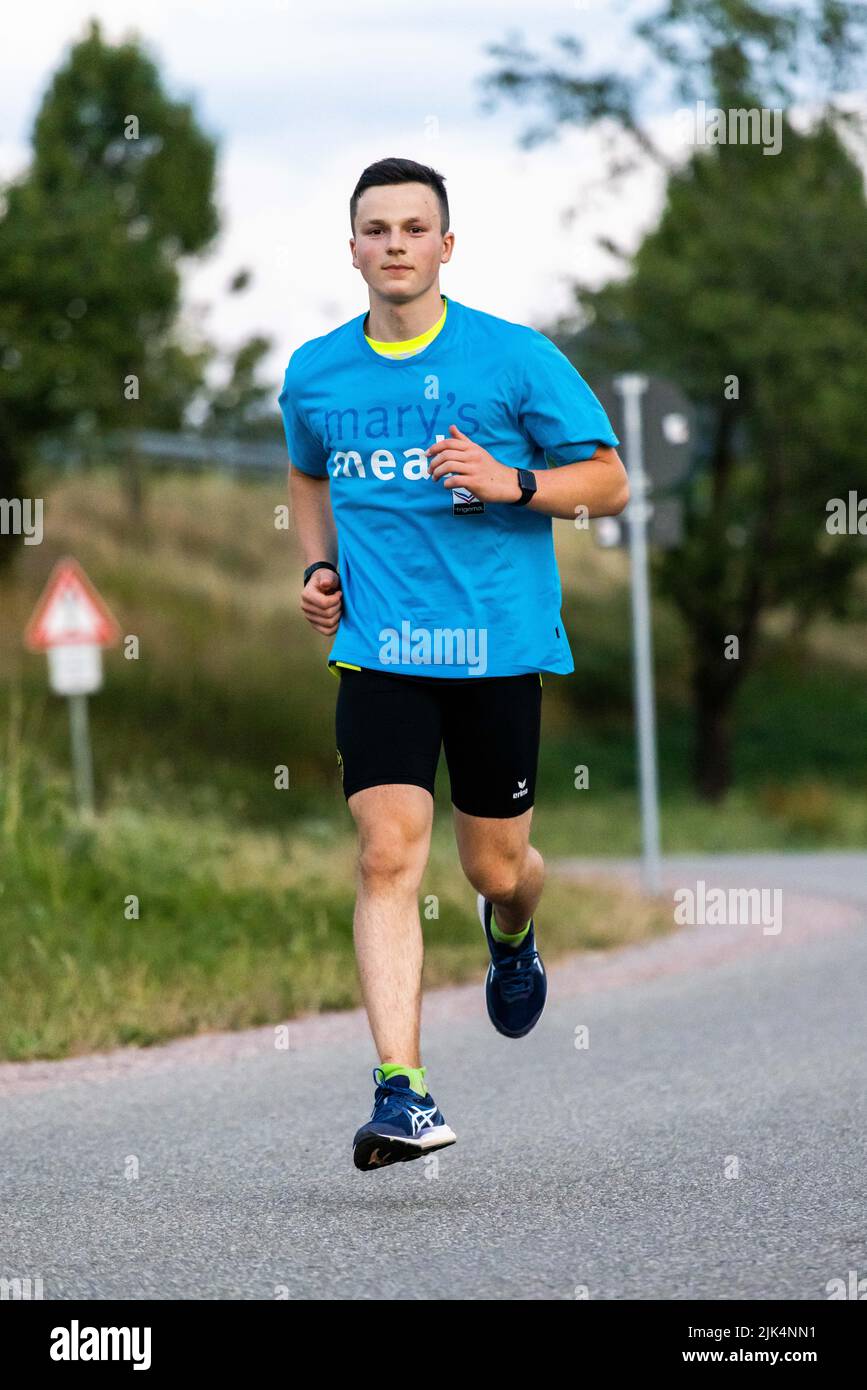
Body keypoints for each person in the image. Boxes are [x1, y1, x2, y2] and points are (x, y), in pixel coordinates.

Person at [278, 157, 628, 1171]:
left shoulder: (514, 360)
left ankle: (512, 932)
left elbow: (608, 482)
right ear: (354, 249)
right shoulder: (316, 371)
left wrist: (513, 481)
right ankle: (403, 1090)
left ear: (445, 246)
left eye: (413, 227)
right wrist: (317, 564)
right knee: (388, 850)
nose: (394, 243)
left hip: (496, 650)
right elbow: (307, 469)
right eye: (376, 228)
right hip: (381, 652)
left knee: (495, 866)